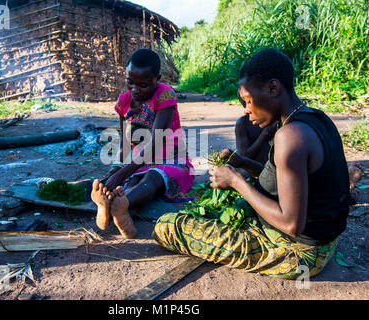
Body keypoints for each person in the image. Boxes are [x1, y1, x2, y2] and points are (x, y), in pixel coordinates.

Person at [152, 48, 351, 279]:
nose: (246, 110)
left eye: (248, 100)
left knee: (167, 226)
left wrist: (236, 181)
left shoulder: (290, 136)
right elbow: (283, 181)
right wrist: (242, 162)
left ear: (273, 88)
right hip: (327, 238)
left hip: (301, 254)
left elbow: (291, 224)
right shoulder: (316, 118)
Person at [91, 48, 195, 239]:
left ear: (157, 78)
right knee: (129, 181)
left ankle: (121, 206)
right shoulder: (124, 101)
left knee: (153, 178)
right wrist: (115, 169)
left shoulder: (165, 96)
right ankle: (112, 204)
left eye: (143, 85)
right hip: (140, 161)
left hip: (172, 160)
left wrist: (123, 171)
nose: (135, 89)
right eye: (130, 82)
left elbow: (156, 141)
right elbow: (124, 141)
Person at [233, 90, 277, 177]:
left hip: (274, 167)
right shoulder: (242, 123)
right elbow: (244, 156)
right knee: (242, 174)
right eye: (245, 102)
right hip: (255, 167)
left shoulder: (276, 118)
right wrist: (265, 133)